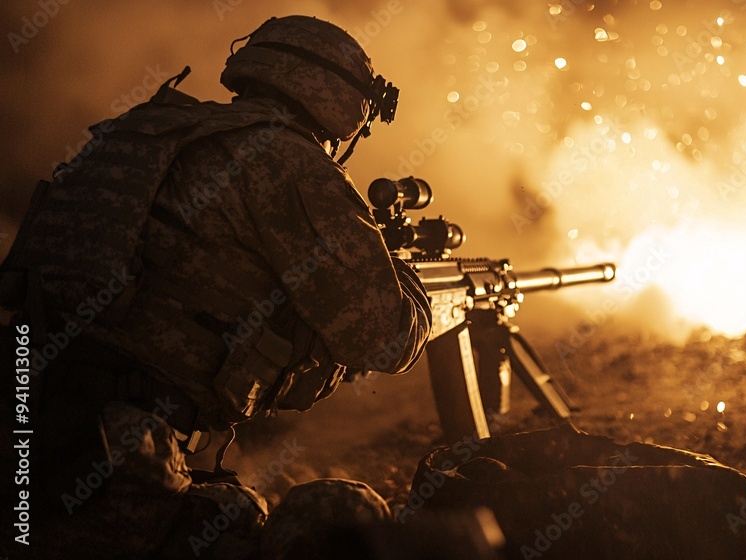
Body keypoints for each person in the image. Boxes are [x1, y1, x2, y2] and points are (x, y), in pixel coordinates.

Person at [0, 15, 430, 558]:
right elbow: (382, 338)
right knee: (342, 517)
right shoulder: (293, 164)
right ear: (344, 100)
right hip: (111, 459)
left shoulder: (149, 128)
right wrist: (409, 285)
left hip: (23, 406)